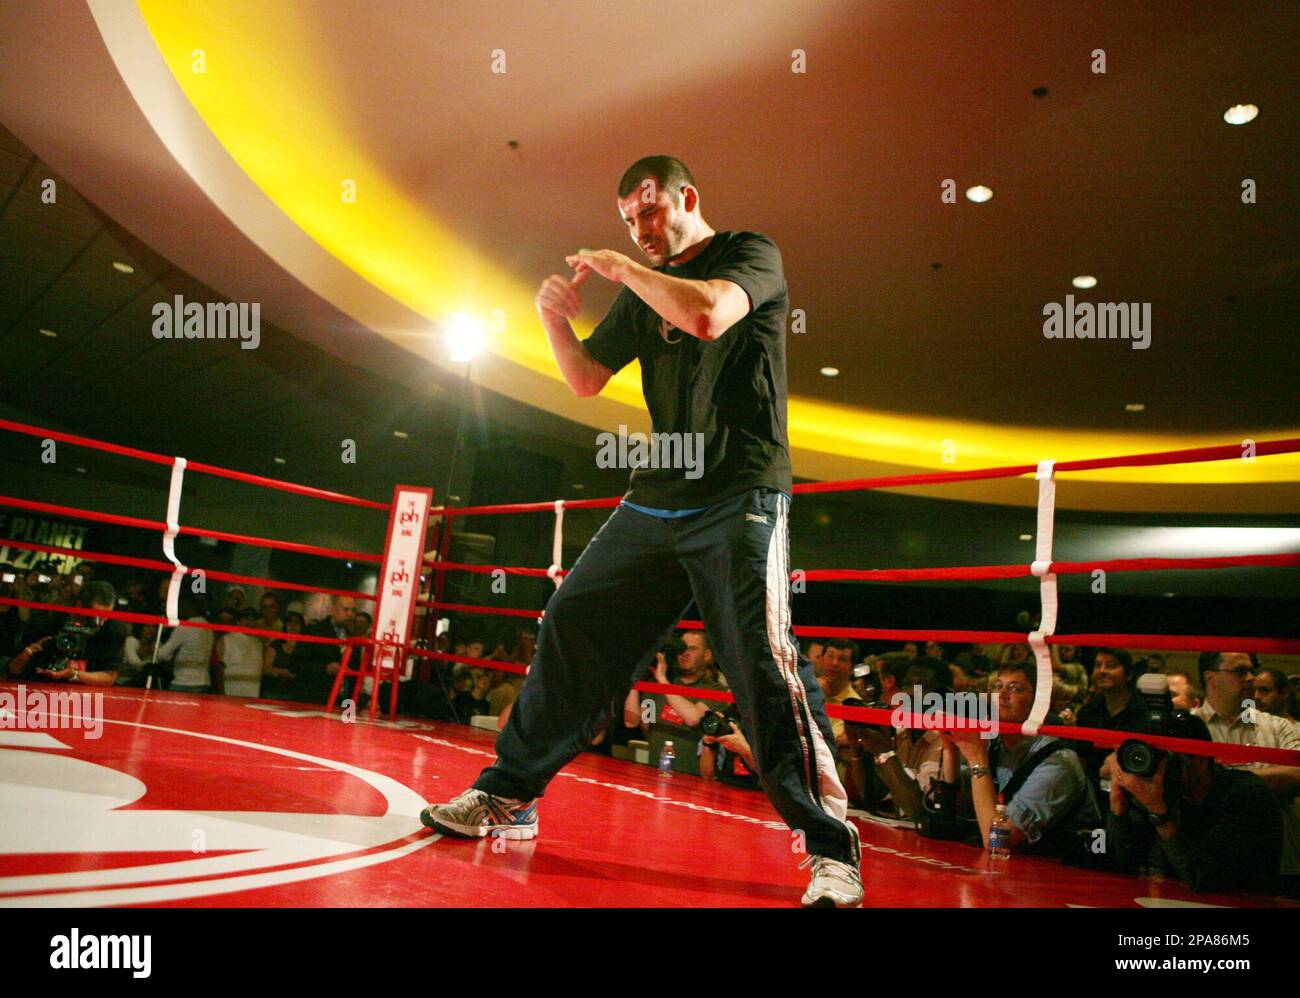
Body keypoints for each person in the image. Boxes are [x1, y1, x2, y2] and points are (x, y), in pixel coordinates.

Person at [421, 155, 861, 907]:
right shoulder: (637, 290)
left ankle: (830, 849)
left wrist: (625, 267)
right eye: (628, 219)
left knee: (757, 655)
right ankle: (510, 795)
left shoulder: (750, 254)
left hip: (742, 491)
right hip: (660, 495)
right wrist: (553, 318)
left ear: (688, 196)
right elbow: (587, 378)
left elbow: (708, 314)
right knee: (574, 616)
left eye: (649, 211)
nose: (639, 228)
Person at [1106, 712, 1283, 895]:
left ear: (1201, 759)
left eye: (1169, 760)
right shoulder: (1164, 793)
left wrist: (1160, 815)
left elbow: (1208, 880)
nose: (1161, 769)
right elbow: (1121, 865)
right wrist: (1118, 808)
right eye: (1156, 759)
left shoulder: (1246, 795)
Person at [943, 662, 1101, 856]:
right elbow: (952, 813)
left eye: (1015, 689)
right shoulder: (994, 745)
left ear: (1038, 703)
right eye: (997, 686)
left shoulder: (1058, 764)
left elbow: (997, 840)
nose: (1001, 695)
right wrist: (949, 748)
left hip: (1067, 875)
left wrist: (977, 759)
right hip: (1014, 869)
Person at [7, 581, 126, 686]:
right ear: (79, 606)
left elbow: (109, 677)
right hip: (37, 687)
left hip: (85, 695)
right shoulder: (49, 620)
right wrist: (26, 655)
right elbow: (12, 668)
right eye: (96, 616)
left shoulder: (113, 628)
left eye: (106, 616)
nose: (101, 622)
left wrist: (74, 675)